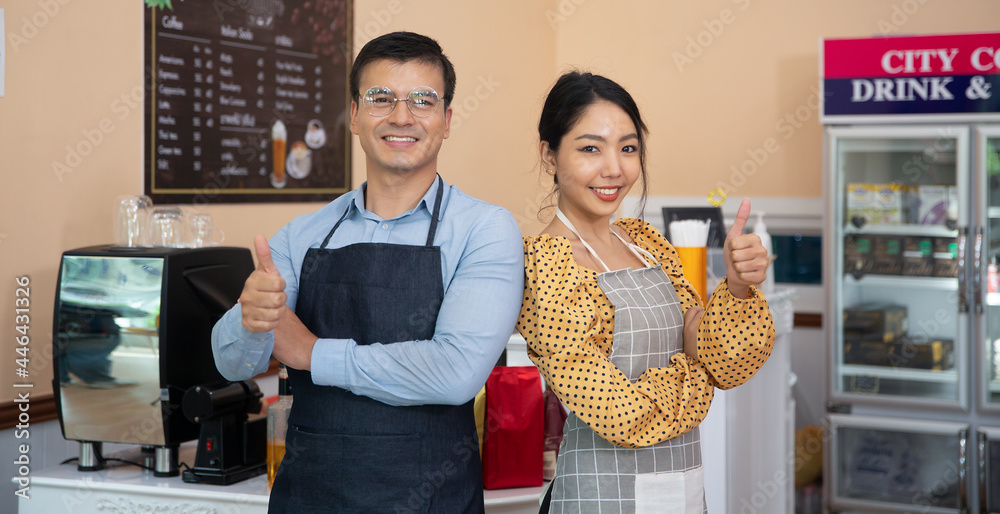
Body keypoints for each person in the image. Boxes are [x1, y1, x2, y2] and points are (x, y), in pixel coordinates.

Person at [211, 32, 524, 513]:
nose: (402, 117)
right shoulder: (303, 234)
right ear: (354, 115)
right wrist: (248, 322)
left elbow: (454, 373)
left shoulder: (484, 229)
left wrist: (311, 352)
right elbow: (233, 365)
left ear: (446, 120)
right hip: (308, 498)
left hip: (431, 501)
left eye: (423, 100)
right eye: (381, 99)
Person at [517, 71, 776, 513]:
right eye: (590, 148)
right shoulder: (545, 264)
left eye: (628, 148)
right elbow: (621, 414)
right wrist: (699, 382)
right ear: (549, 155)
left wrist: (735, 286)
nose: (614, 168)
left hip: (684, 487)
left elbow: (714, 355)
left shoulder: (645, 242)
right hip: (600, 496)